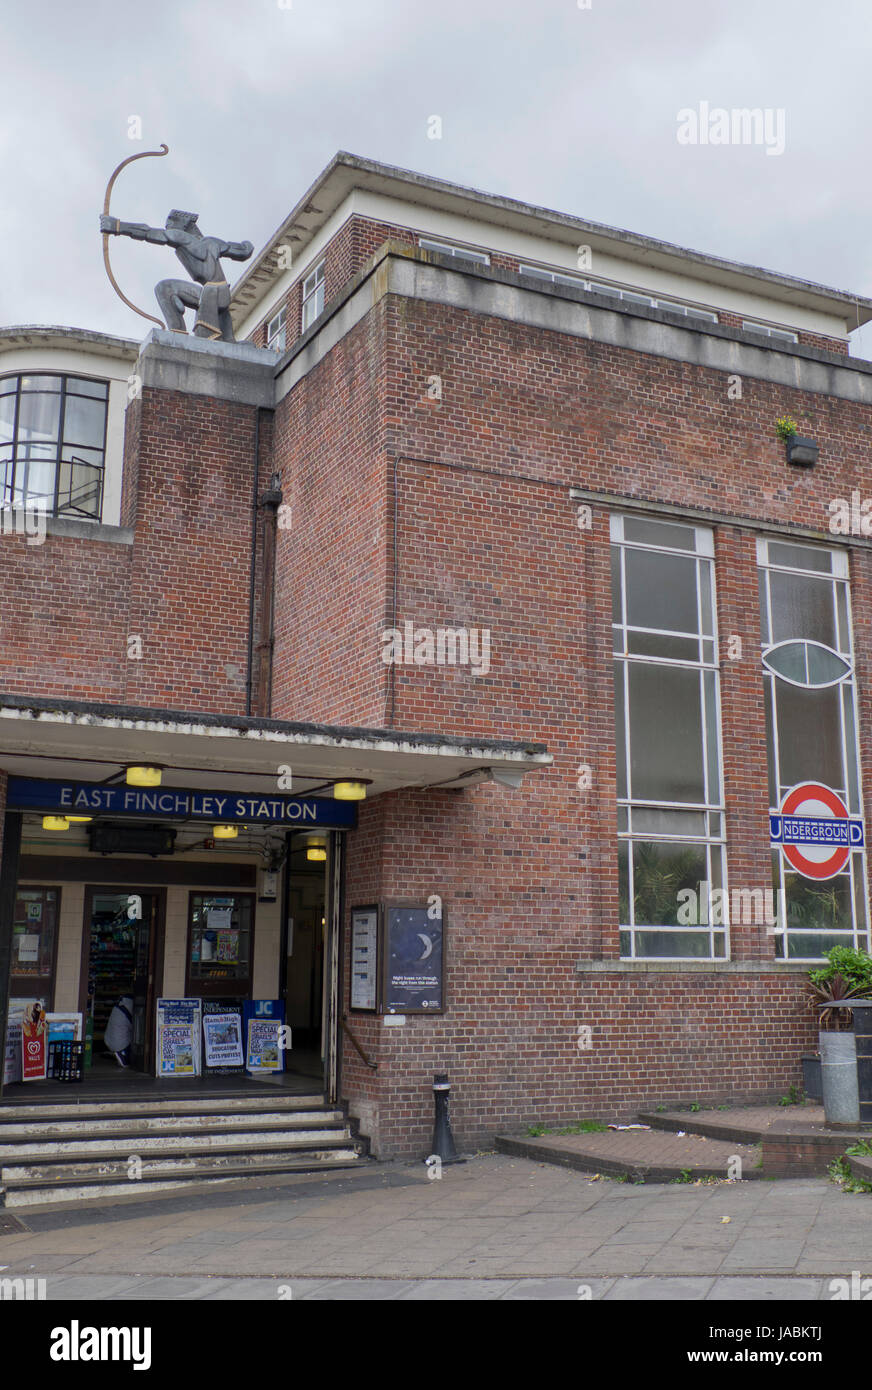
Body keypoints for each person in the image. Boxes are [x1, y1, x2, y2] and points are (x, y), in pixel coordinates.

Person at [99, 209, 253, 341]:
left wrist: (118, 226)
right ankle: (182, 333)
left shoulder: (182, 237)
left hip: (212, 294)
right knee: (167, 288)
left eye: (171, 223)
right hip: (219, 291)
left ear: (183, 225)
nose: (168, 227)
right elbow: (243, 251)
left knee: (165, 288)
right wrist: (247, 245)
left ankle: (178, 333)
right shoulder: (214, 243)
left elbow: (150, 232)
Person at [104, 995, 134, 1068]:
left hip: (109, 1038)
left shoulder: (119, 1007)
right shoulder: (130, 1007)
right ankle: (122, 1054)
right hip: (119, 1043)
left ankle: (120, 1053)